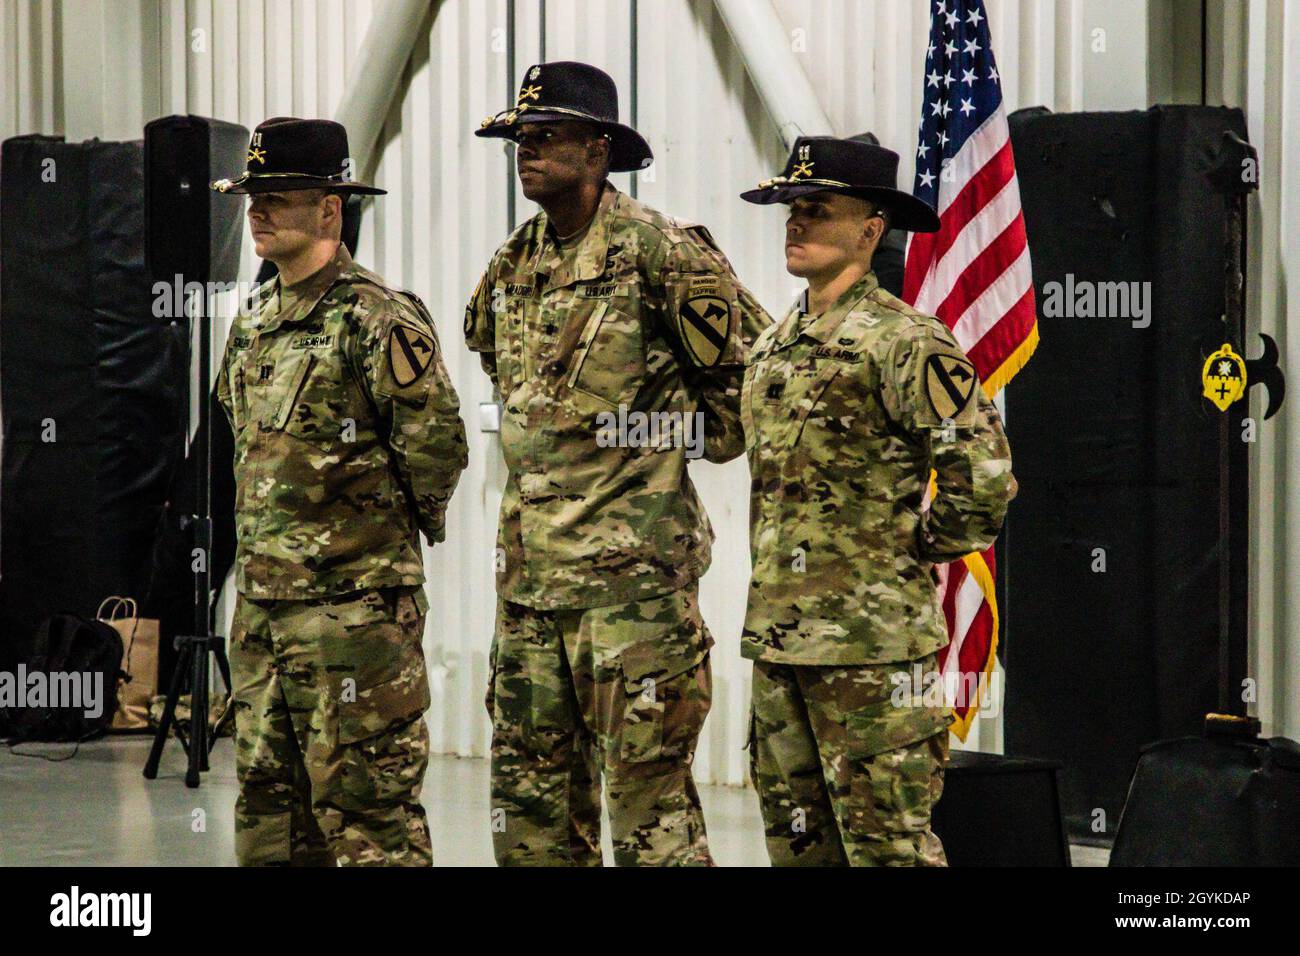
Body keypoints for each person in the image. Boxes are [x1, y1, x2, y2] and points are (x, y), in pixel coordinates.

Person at [465, 61, 772, 866]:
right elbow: (510, 383)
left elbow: (750, 394)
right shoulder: (512, 265)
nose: (526, 149)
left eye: (547, 135)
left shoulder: (661, 253)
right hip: (530, 590)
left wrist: (652, 440)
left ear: (598, 150)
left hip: (632, 596)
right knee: (528, 818)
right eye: (520, 137)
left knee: (650, 818)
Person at [738, 135, 1016, 865]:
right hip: (779, 643)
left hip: (874, 651)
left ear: (869, 231)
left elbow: (981, 474)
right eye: (791, 208)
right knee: (798, 845)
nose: (795, 223)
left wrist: (910, 552)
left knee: (888, 847)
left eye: (817, 209)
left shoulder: (905, 342)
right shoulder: (771, 345)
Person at [212, 117, 468, 866]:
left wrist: (375, 551)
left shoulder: (377, 315)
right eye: (253, 196)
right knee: (268, 814)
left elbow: (437, 449)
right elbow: (243, 441)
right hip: (262, 612)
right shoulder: (254, 320)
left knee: (367, 818)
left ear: (331, 207)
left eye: (279, 197)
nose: (258, 211)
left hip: (354, 617)